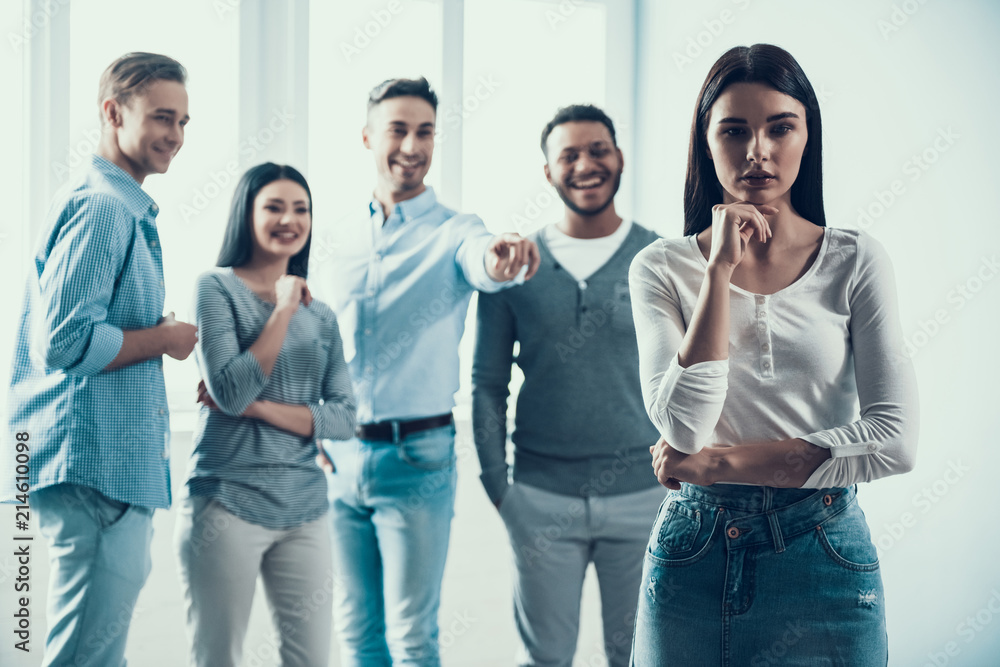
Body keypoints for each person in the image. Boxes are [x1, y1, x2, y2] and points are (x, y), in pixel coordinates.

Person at [628, 44, 919, 665]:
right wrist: (718, 271)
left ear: (808, 136)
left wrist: (717, 464)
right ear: (706, 142)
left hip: (825, 551)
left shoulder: (856, 260)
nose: (757, 151)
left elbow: (894, 442)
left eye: (780, 128)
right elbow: (684, 428)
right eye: (734, 131)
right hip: (693, 555)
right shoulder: (659, 267)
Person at [315, 76, 540, 667]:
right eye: (398, 130)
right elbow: (312, 344)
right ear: (368, 137)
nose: (413, 146)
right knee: (355, 632)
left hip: (415, 457)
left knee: (412, 636)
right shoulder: (336, 237)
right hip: (338, 456)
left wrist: (503, 255)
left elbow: (485, 259)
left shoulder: (455, 230)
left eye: (426, 132)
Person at [3, 52, 196, 666]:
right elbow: (65, 342)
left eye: (183, 121)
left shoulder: (109, 202)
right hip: (94, 465)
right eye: (162, 117)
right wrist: (164, 339)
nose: (176, 134)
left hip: (96, 465)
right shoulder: (103, 207)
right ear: (113, 113)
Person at [472, 104, 663, 667]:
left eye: (598, 150)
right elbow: (487, 383)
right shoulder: (513, 268)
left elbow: (696, 373)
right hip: (540, 499)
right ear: (549, 171)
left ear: (619, 158)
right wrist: (498, 486)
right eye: (569, 155)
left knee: (638, 657)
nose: (585, 165)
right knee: (545, 658)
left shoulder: (659, 259)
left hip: (644, 497)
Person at [175, 163, 356, 667]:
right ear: (246, 214)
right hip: (226, 502)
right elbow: (231, 391)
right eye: (274, 207)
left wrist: (256, 407)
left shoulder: (322, 315)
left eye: (301, 209)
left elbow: (344, 419)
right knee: (217, 658)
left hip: (305, 507)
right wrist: (282, 309)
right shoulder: (215, 288)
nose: (289, 219)